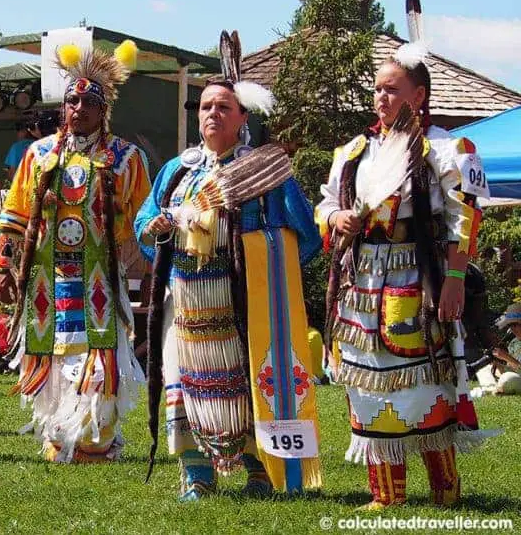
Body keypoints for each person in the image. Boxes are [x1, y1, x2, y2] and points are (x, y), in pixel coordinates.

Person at [134, 30, 323, 501]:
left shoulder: (263, 169)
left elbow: (305, 233)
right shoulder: (178, 170)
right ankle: (197, 475)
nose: (212, 114)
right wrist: (156, 225)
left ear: (242, 117)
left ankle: (261, 471)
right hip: (186, 296)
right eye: (205, 107)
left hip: (244, 300)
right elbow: (143, 217)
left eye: (223, 107)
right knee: (184, 381)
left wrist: (262, 259)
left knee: (247, 381)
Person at [315, 35, 494, 508]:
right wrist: (337, 219)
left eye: (392, 89)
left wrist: (455, 280)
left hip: (419, 278)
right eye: (377, 89)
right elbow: (327, 203)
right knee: (366, 377)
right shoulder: (355, 151)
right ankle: (386, 494)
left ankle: (444, 489)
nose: (381, 97)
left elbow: (465, 218)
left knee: (426, 379)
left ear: (419, 95)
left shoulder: (447, 148)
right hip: (362, 281)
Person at [0, 40, 151, 463]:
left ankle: (97, 439)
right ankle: (60, 434)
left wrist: (152, 269)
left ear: (104, 112)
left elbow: (147, 222)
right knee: (56, 354)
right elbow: (15, 214)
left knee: (98, 356)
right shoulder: (39, 155)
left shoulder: (125, 159)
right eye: (71, 101)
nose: (77, 108)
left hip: (100, 274)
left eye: (87, 103)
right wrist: (2, 267)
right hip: (50, 276)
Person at [491, 302, 521, 395]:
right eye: (509, 325)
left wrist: (507, 357)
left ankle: (496, 388)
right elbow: (512, 369)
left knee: (508, 379)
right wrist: (498, 364)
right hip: (516, 378)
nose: (512, 329)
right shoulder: (514, 343)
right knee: (484, 370)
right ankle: (497, 387)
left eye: (515, 324)